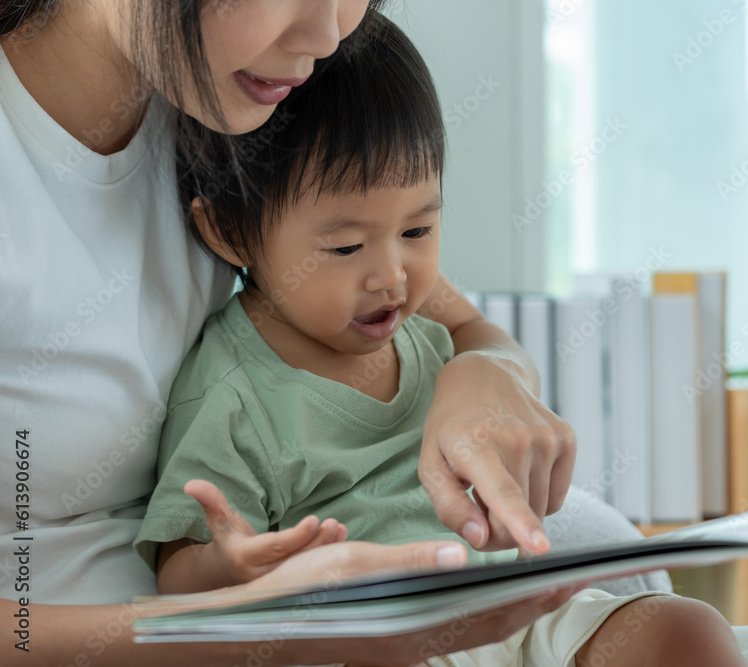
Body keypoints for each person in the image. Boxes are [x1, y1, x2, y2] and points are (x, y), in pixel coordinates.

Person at [135, 14, 748, 666]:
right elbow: (179, 575)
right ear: (230, 230)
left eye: (419, 230)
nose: (393, 275)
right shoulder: (232, 391)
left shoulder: (426, 325)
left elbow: (483, 344)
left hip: (506, 609)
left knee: (688, 630)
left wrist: (488, 368)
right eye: (345, 246)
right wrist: (227, 568)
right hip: (374, 641)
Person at [0, 1, 583, 664]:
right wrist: (241, 627)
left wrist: (492, 369)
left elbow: (459, 323)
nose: (330, 32)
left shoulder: (227, 101)